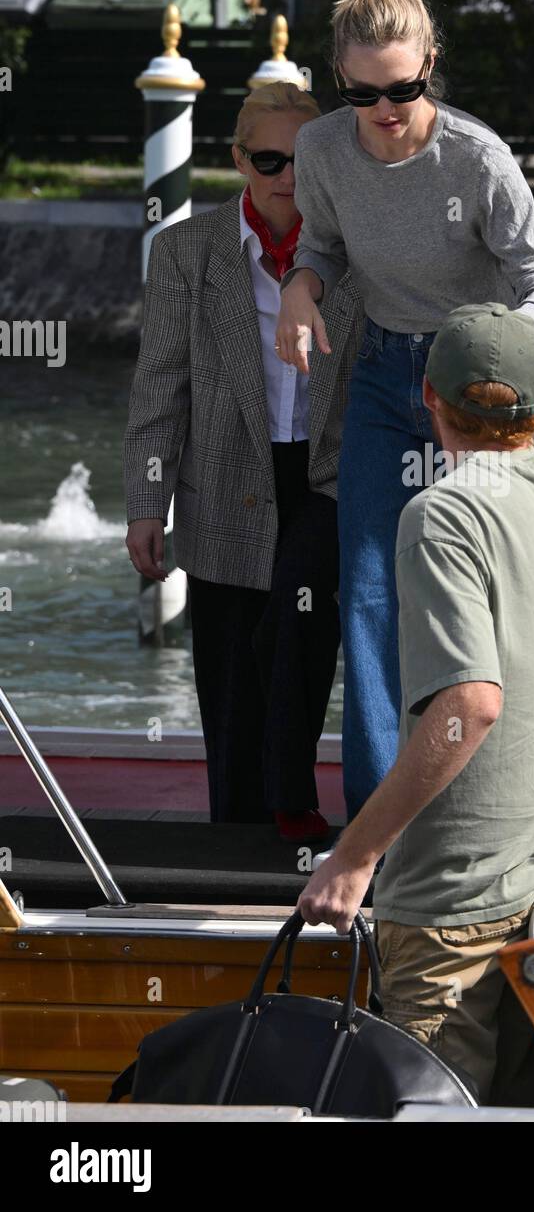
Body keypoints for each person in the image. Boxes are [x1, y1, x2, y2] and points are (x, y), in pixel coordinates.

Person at [274, 0, 534, 820]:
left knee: (482, 588)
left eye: (402, 91)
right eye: (362, 94)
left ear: (430, 67)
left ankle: (490, 810)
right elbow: (324, 245)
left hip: (477, 392)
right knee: (365, 589)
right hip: (381, 375)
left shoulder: (478, 159)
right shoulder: (324, 149)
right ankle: (381, 824)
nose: (385, 111)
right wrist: (300, 283)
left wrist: (505, 348)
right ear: (338, 80)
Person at [297, 301, 534, 1104]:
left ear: (428, 401)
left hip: (449, 908)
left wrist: (355, 856)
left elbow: (469, 704)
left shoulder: (442, 515)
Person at [123, 81, 362, 840]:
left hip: (325, 477)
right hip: (225, 479)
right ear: (237, 161)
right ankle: (235, 834)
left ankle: (290, 799)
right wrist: (144, 503)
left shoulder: (358, 251)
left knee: (295, 626)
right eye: (268, 159)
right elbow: (161, 387)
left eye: (302, 160)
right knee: (227, 675)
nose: (286, 176)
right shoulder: (186, 251)